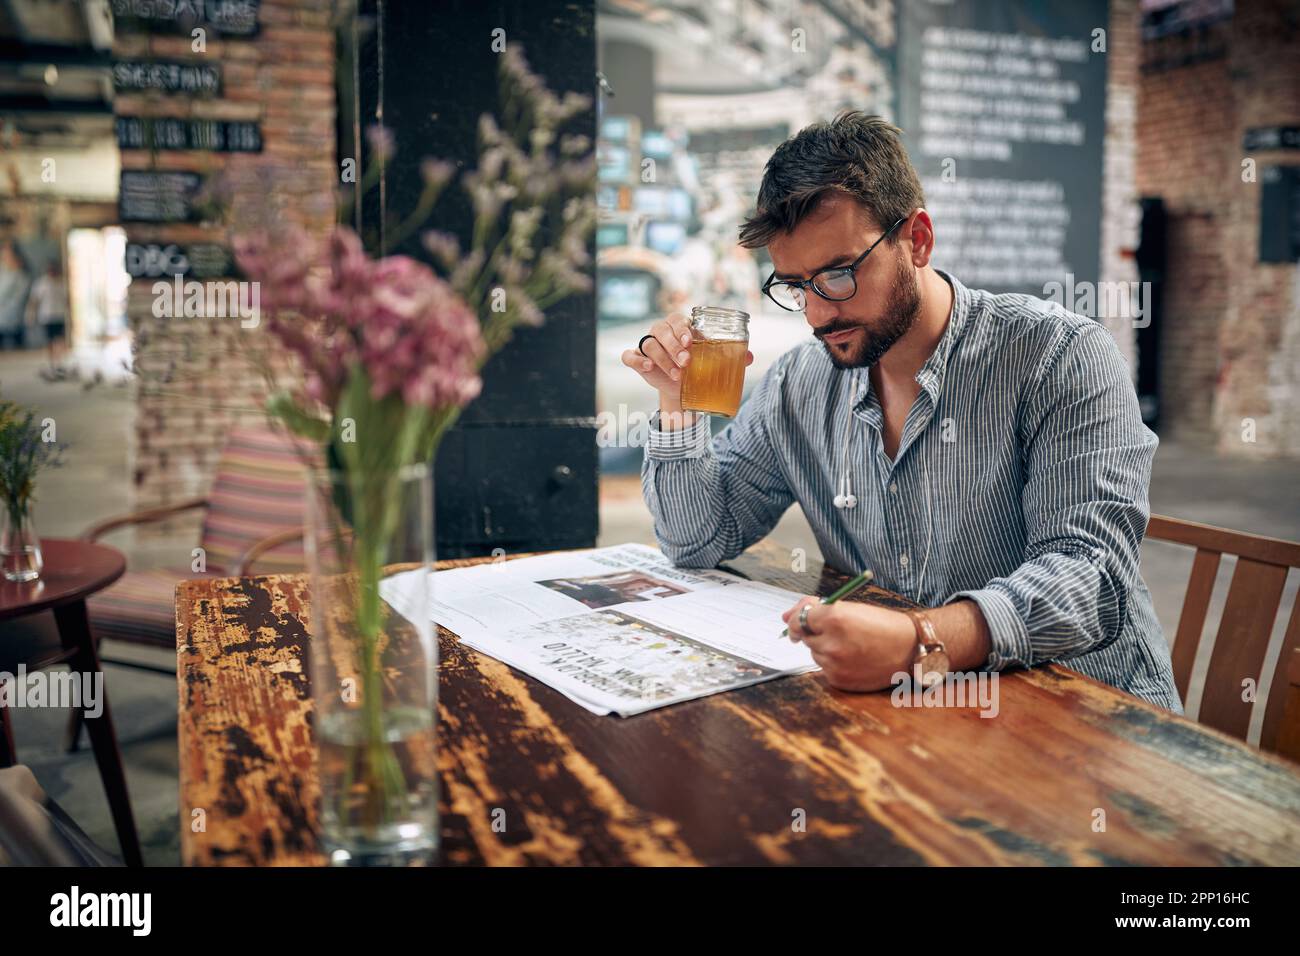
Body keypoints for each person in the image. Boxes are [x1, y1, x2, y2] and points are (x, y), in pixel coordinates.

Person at [622, 111, 1181, 712]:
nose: (816, 315)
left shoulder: (1058, 356)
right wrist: (676, 404)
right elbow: (698, 539)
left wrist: (922, 640)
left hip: (1091, 717)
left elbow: (1089, 579)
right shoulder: (798, 384)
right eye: (794, 285)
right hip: (918, 715)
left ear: (916, 239)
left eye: (837, 275)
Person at [25, 261, 69, 378]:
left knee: (59, 341)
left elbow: (66, 300)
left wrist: (69, 315)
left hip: (59, 316)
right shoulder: (41, 284)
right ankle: (52, 364)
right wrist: (30, 315)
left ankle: (59, 363)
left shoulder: (62, 283)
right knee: (50, 341)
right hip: (46, 317)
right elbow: (34, 301)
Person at [0, 242, 30, 351]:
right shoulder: (3, 273)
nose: (4, 258)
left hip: (13, 323)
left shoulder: (21, 277)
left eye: (8, 255)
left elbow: (18, 300)